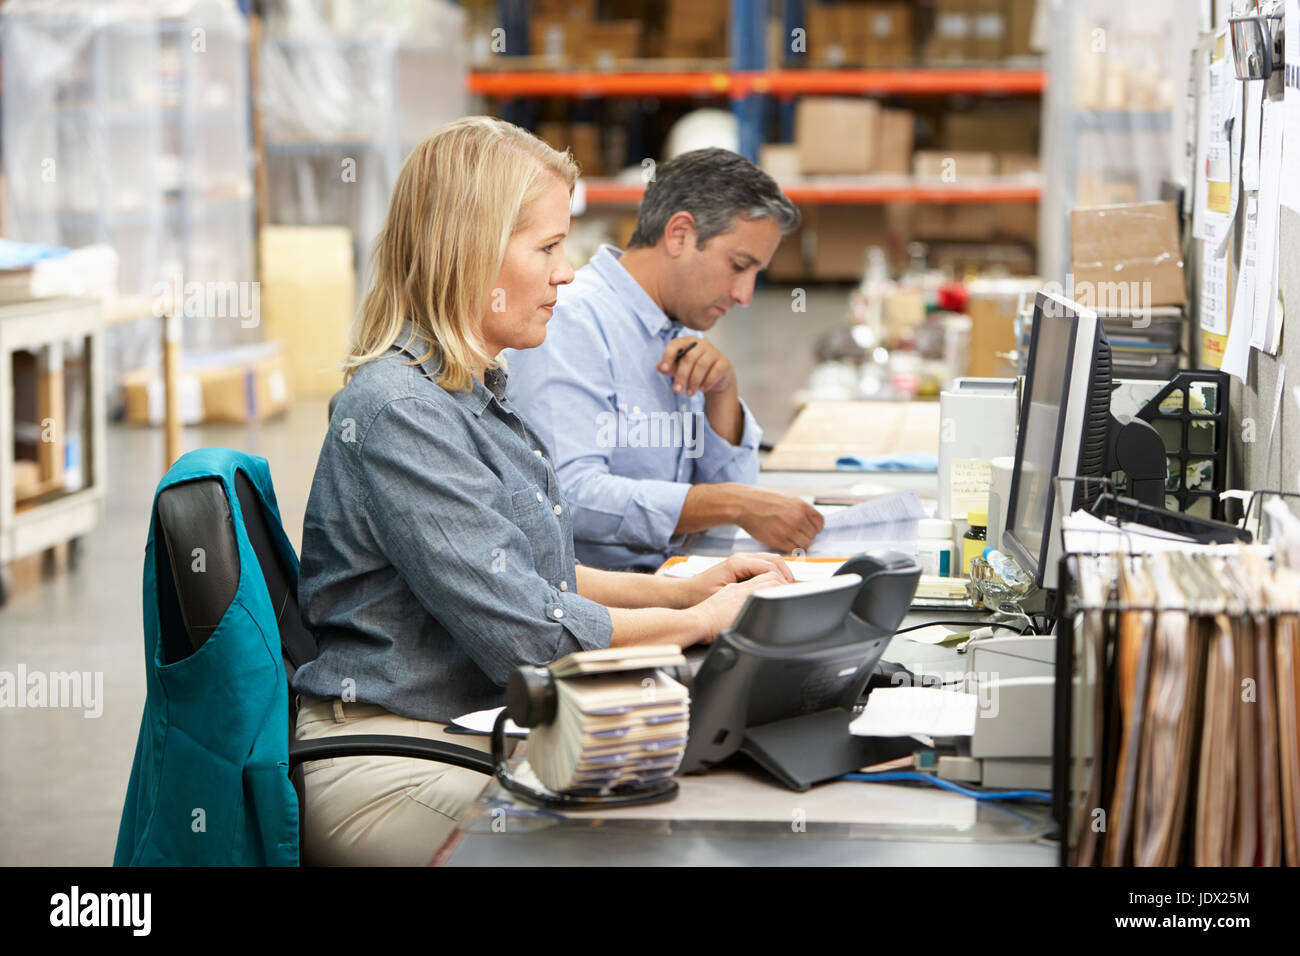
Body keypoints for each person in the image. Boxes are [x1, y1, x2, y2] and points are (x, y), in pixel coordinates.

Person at [291, 117, 791, 866]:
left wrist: (689, 596)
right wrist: (705, 622)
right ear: (471, 252)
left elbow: (538, 577)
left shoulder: (473, 388)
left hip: (469, 729)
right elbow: (530, 634)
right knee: (651, 842)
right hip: (396, 757)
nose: (567, 273)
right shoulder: (403, 411)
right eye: (550, 248)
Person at [506, 148, 825, 572]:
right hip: (604, 606)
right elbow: (569, 496)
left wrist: (722, 396)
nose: (744, 295)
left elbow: (738, 499)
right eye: (738, 266)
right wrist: (731, 503)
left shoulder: (679, 323)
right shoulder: (571, 320)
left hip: (673, 578)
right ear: (679, 235)